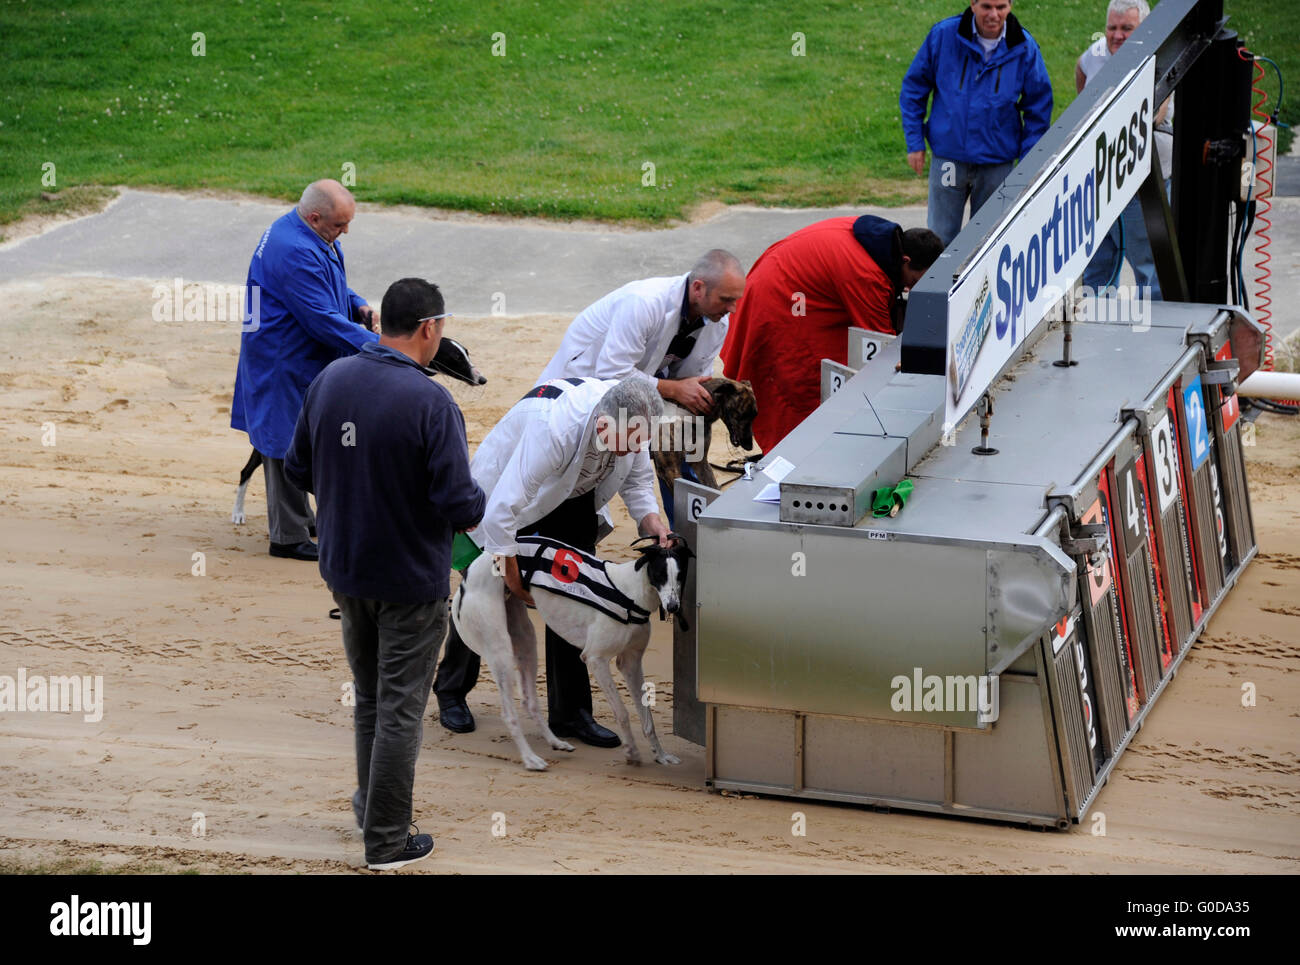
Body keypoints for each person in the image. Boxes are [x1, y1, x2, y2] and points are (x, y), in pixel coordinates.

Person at [284, 277, 485, 871]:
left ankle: (372, 808)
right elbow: (461, 505)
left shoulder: (329, 380)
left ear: (380, 324)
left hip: (346, 571)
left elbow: (298, 469)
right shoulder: (432, 403)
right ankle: (388, 841)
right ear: (429, 329)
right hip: (409, 581)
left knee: (372, 699)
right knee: (399, 708)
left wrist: (352, 494)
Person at [433, 377, 672, 745]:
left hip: (575, 497)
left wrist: (651, 521)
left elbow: (638, 484)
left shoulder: (634, 423)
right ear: (603, 426)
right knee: (487, 594)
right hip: (517, 499)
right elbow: (504, 510)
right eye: (629, 444)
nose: (634, 451)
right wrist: (512, 577)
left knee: (576, 596)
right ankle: (451, 690)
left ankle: (571, 714)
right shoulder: (555, 430)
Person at [232, 179, 380, 562]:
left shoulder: (310, 232)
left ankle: (304, 516)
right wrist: (387, 349)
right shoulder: (293, 250)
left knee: (306, 435)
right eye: (339, 225)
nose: (345, 231)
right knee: (282, 443)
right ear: (315, 218)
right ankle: (287, 536)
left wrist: (360, 307)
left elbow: (333, 289)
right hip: (282, 361)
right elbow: (320, 319)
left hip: (299, 356)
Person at [538, 249, 746, 519]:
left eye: (736, 300)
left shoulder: (718, 321)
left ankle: (689, 528)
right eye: (726, 299)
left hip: (638, 387)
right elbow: (611, 373)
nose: (732, 309)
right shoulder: (644, 302)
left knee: (684, 433)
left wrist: (694, 399)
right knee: (573, 477)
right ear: (698, 288)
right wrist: (674, 390)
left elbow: (691, 378)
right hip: (581, 387)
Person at [720, 216, 943, 452]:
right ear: (906, 261)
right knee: (799, 383)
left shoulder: (882, 239)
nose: (909, 289)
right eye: (913, 281)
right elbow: (880, 346)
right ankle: (791, 458)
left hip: (791, 286)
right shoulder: (867, 275)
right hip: (778, 303)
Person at [900, 0, 1054, 246]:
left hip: (997, 164)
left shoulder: (1025, 47)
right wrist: (915, 142)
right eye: (986, 6)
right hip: (949, 159)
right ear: (972, 4)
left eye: (1001, 7)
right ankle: (939, 286)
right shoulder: (942, 36)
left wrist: (1028, 164)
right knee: (939, 241)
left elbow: (1039, 107)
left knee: (989, 243)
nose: (994, 15)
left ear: (1011, 6)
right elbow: (913, 88)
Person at [1077, 0, 1172, 300]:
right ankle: (1097, 331)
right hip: (1100, 180)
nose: (1117, 35)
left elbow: (1154, 114)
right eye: (1112, 28)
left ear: (1143, 29)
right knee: (1097, 265)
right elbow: (1081, 79)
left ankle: (1154, 333)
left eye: (1127, 29)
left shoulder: (1160, 60)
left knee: (1148, 265)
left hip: (1143, 181)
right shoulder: (1093, 56)